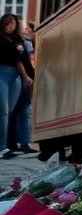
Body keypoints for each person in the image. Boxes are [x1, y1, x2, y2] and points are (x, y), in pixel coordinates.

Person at [0, 14, 29, 159]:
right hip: (2, 73)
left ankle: (6, 145)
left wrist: (25, 77)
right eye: (8, 23)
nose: (11, 26)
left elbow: (20, 61)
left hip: (15, 76)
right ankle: (2, 148)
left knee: (9, 111)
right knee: (3, 112)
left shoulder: (17, 39)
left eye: (13, 24)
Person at [7, 21, 35, 154]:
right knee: (13, 111)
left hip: (25, 77)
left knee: (24, 111)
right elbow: (19, 61)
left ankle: (23, 143)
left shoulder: (23, 41)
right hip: (15, 76)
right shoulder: (8, 41)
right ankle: (12, 143)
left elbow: (27, 60)